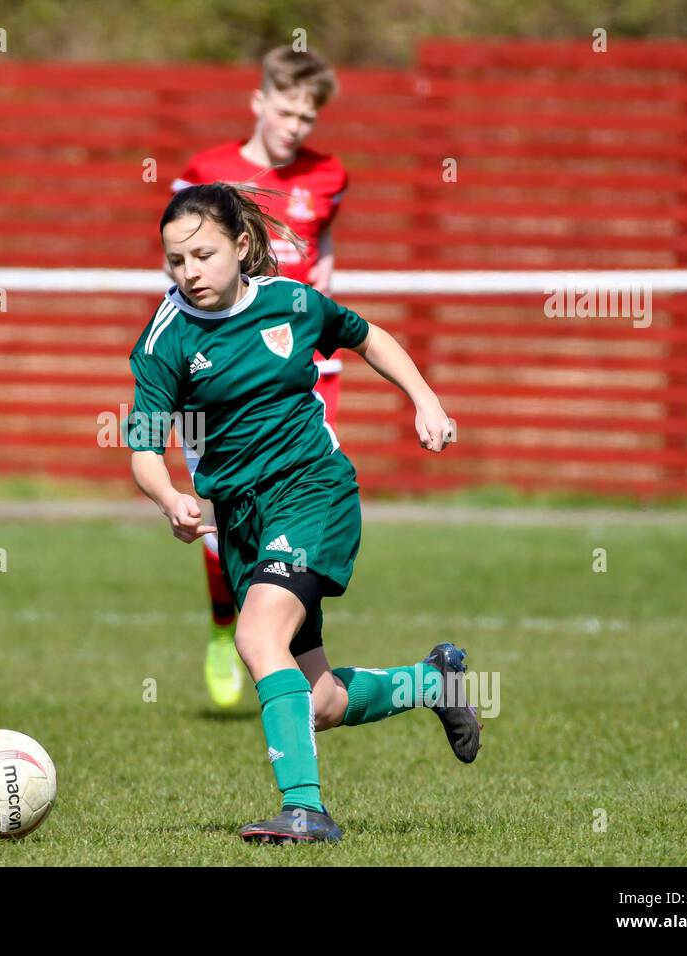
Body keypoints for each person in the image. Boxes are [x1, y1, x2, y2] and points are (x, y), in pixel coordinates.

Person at [127, 182, 482, 843]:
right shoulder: (164, 340)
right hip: (240, 519)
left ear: (239, 247)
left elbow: (368, 336)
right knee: (316, 702)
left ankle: (305, 811)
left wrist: (425, 400)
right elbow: (145, 446)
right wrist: (169, 495)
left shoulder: (293, 304)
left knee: (257, 638)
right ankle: (432, 683)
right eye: (175, 260)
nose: (188, 272)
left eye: (202, 255)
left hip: (312, 490)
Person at [170, 46, 349, 708]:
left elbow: (321, 246)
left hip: (298, 374)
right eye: (286, 109)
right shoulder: (208, 173)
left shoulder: (329, 175)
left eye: (308, 115)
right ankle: (228, 630)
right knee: (223, 518)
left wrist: (325, 276)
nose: (297, 125)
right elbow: (182, 260)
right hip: (214, 376)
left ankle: (284, 646)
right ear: (259, 102)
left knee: (296, 503)